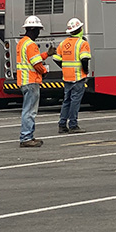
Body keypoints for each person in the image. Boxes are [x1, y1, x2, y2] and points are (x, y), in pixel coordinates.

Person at [16, 15, 55, 147]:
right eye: (38, 30)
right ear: (32, 29)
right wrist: (45, 71)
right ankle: (26, 137)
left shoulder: (22, 43)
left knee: (27, 110)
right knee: (30, 111)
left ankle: (27, 136)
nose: (38, 33)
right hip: (31, 81)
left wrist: (46, 54)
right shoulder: (31, 44)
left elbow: (33, 59)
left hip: (24, 81)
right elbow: (36, 63)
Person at [55, 17, 91, 134]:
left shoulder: (63, 43)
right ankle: (73, 125)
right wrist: (85, 71)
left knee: (66, 101)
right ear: (79, 29)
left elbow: (56, 58)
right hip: (78, 77)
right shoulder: (82, 43)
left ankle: (62, 124)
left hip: (67, 77)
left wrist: (64, 67)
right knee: (75, 101)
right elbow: (85, 59)